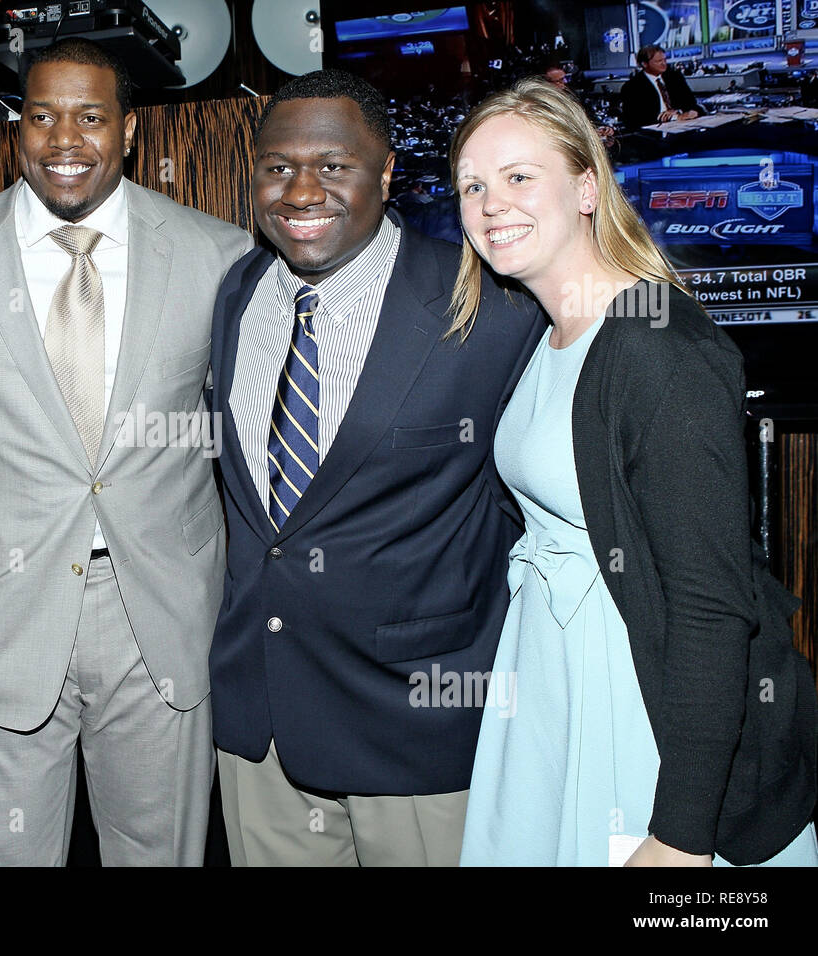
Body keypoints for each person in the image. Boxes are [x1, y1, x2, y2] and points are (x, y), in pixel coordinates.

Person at [0, 38, 251, 866]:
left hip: (159, 616)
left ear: (128, 131)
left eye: (90, 117)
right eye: (42, 116)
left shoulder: (218, 257)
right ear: (17, 126)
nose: (64, 140)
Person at [450, 77, 817, 866]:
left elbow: (711, 610)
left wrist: (682, 835)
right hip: (554, 686)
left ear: (587, 187)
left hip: (641, 710)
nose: (490, 203)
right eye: (472, 185)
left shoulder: (656, 349)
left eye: (519, 177)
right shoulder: (543, 331)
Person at [208, 69, 543, 866]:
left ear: (388, 173)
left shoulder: (485, 301)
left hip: (418, 734)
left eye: (334, 166)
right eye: (278, 166)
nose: (301, 189)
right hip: (262, 731)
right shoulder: (238, 291)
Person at [620, 45, 701, 128]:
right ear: (644, 64)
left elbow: (691, 103)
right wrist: (674, 117)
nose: (664, 64)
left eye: (665, 60)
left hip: (683, 127)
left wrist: (679, 111)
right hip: (653, 132)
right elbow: (634, 119)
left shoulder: (675, 77)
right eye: (658, 61)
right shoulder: (632, 87)